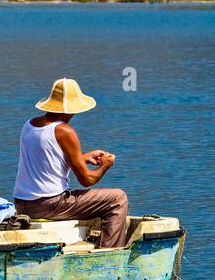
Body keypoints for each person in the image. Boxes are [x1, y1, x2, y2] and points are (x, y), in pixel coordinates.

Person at [13, 77, 129, 248]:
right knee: (118, 198)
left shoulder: (29, 125)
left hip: (22, 204)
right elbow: (86, 180)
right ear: (69, 110)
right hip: (50, 204)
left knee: (112, 197)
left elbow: (46, 160)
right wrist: (105, 165)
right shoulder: (65, 131)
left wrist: (82, 157)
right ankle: (110, 251)